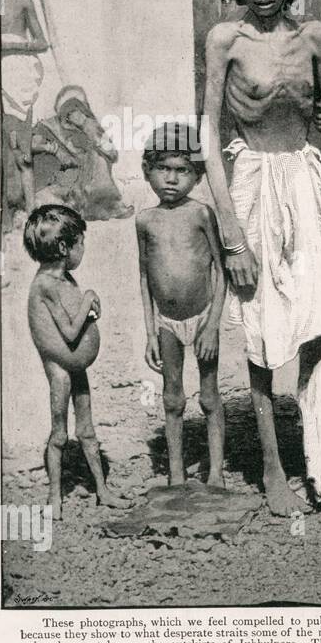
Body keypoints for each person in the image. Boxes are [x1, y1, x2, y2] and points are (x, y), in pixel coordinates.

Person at [200, 0, 321, 516]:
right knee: (264, 327)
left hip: (304, 181)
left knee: (318, 321)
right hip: (248, 184)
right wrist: (231, 233)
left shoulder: (316, 36)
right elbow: (210, 136)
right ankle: (271, 467)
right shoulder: (224, 40)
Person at [24, 204, 131, 518]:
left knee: (87, 430)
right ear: (63, 247)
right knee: (60, 434)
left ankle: (103, 490)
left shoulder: (63, 278)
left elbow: (77, 319)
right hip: (60, 368)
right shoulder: (45, 284)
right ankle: (54, 498)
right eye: (79, 243)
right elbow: (70, 333)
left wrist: (90, 310)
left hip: (76, 366)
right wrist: (89, 298)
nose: (82, 250)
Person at [136, 124, 227, 489]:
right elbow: (144, 278)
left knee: (208, 395)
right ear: (148, 171)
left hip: (203, 315)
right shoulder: (144, 220)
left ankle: (216, 473)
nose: (171, 179)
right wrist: (150, 333)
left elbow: (222, 271)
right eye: (163, 169)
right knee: (172, 398)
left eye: (182, 170)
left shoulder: (202, 214)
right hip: (166, 322)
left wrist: (213, 325)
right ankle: (175, 476)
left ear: (197, 175)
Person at [31, 86, 134, 221]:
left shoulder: (89, 125)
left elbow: (112, 154)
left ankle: (110, 206)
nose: (76, 113)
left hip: (86, 185)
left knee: (99, 159)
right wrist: (53, 150)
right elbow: (32, 145)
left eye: (79, 107)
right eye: (71, 109)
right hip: (58, 180)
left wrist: (88, 128)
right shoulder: (49, 127)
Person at [0, 0, 48, 228]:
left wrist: (17, 44)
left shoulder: (22, 1)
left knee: (21, 146)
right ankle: (4, 208)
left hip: (18, 75)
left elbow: (42, 41)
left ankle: (30, 209)